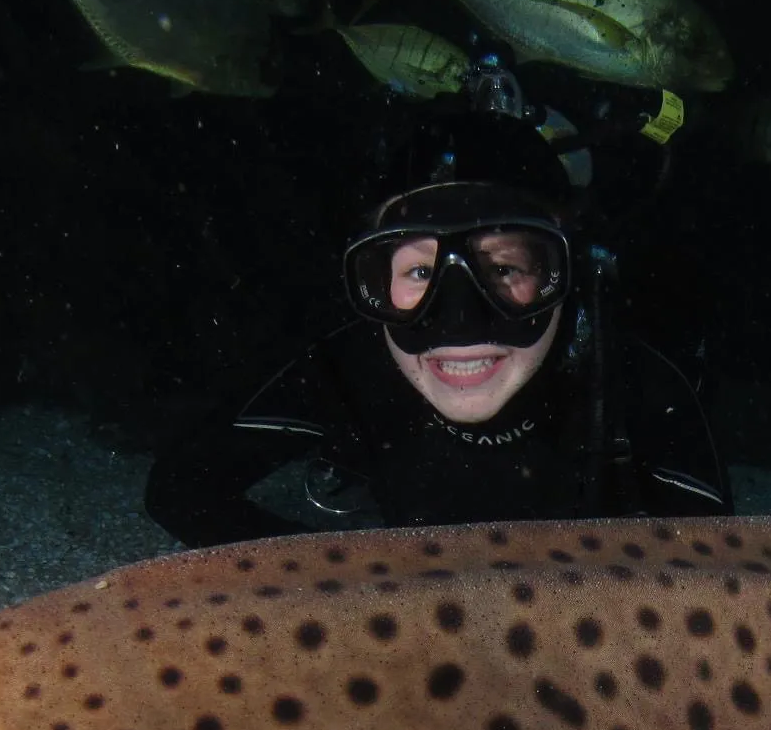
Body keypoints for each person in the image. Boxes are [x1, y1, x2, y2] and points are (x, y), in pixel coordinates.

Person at [144, 92, 730, 548]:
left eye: (503, 268)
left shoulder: (635, 379)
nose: (459, 322)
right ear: (372, 282)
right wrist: (363, 596)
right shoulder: (342, 363)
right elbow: (180, 492)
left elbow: (720, 569)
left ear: (567, 272)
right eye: (420, 273)